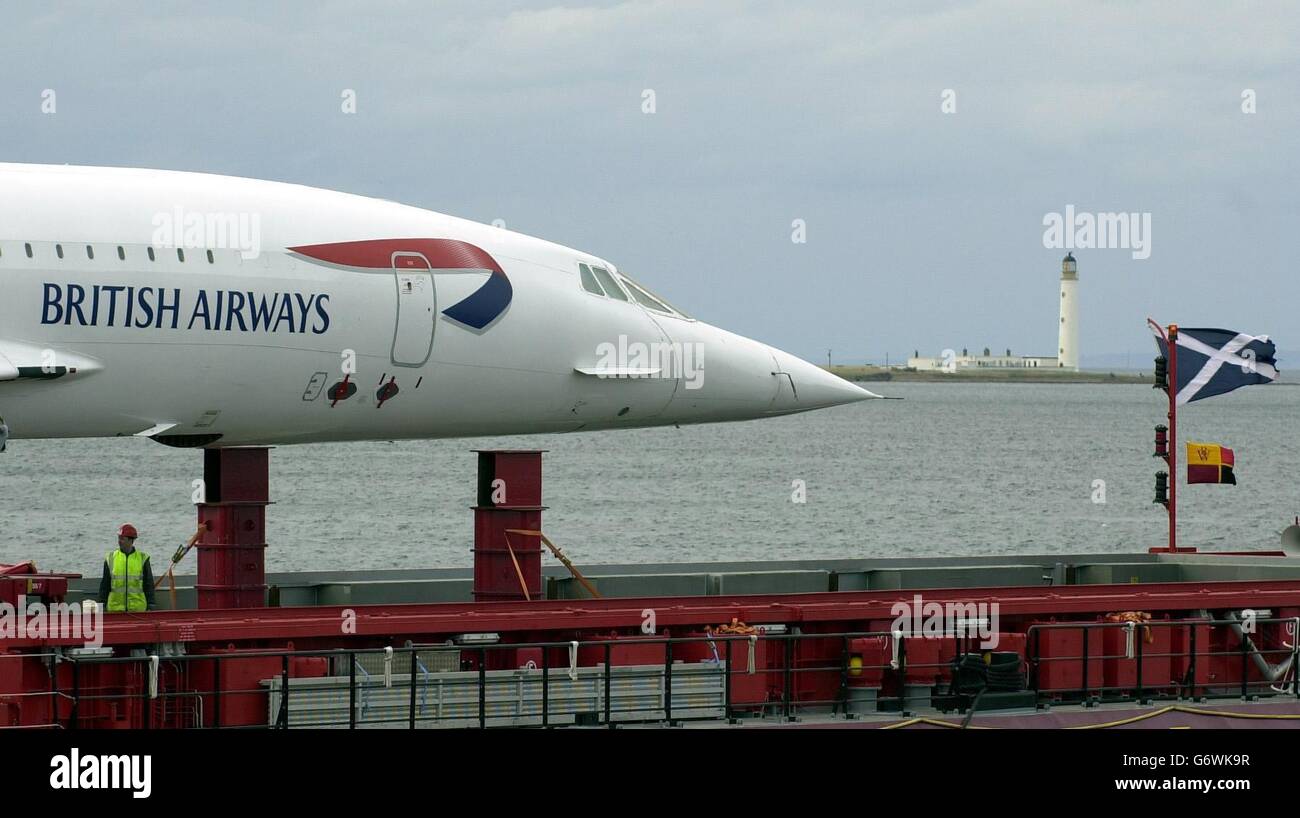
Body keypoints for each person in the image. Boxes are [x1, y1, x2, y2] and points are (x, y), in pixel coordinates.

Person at [98, 524, 157, 612]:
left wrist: (151, 605)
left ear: (131, 540)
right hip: (115, 611)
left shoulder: (142, 559)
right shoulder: (110, 558)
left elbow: (149, 585)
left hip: (138, 610)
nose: (119, 541)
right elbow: (104, 586)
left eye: (122, 539)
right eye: (119, 538)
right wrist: (101, 606)